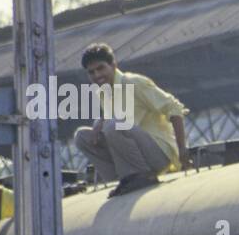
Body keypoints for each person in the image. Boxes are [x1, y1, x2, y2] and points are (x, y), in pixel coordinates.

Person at [72, 44, 190, 196]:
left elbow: (174, 108)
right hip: (134, 154)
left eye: (101, 68)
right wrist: (99, 121)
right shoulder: (103, 92)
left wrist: (182, 149)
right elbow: (113, 116)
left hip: (158, 154)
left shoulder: (134, 82)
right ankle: (123, 179)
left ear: (113, 65)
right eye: (91, 72)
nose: (97, 75)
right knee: (82, 137)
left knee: (114, 125)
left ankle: (142, 175)